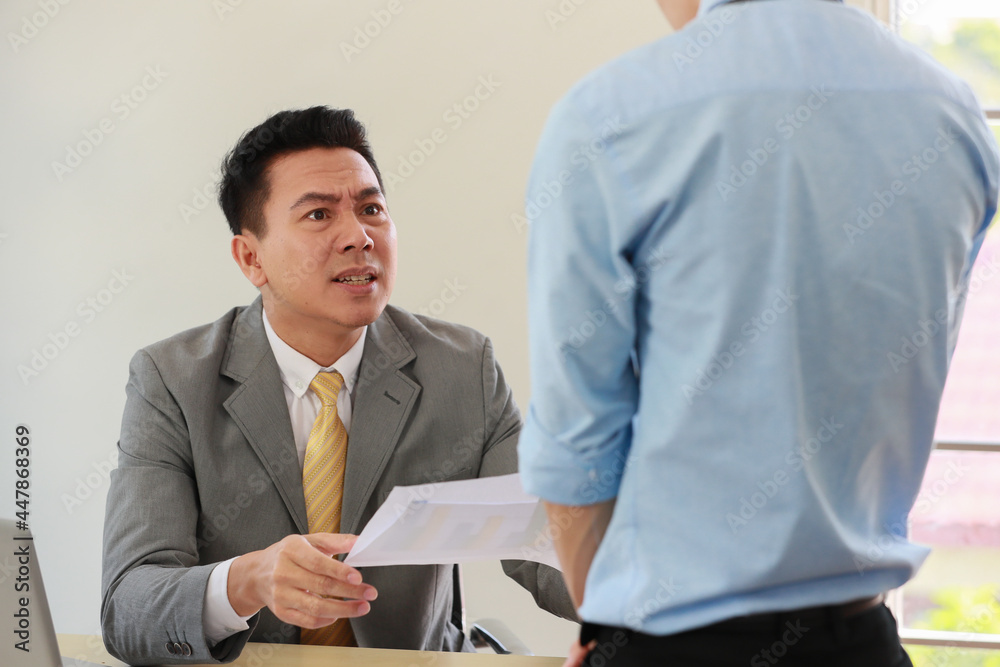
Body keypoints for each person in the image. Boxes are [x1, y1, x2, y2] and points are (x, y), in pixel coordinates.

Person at [517, 0, 999, 665]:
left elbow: (578, 445)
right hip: (863, 642)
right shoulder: (953, 112)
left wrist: (604, 625)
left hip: (675, 647)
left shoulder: (609, 115)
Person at [101, 106, 575, 665]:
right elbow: (128, 607)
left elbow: (543, 546)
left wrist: (662, 593)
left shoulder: (463, 368)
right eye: (319, 215)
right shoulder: (173, 380)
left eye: (371, 208)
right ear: (251, 257)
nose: (358, 236)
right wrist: (246, 580)